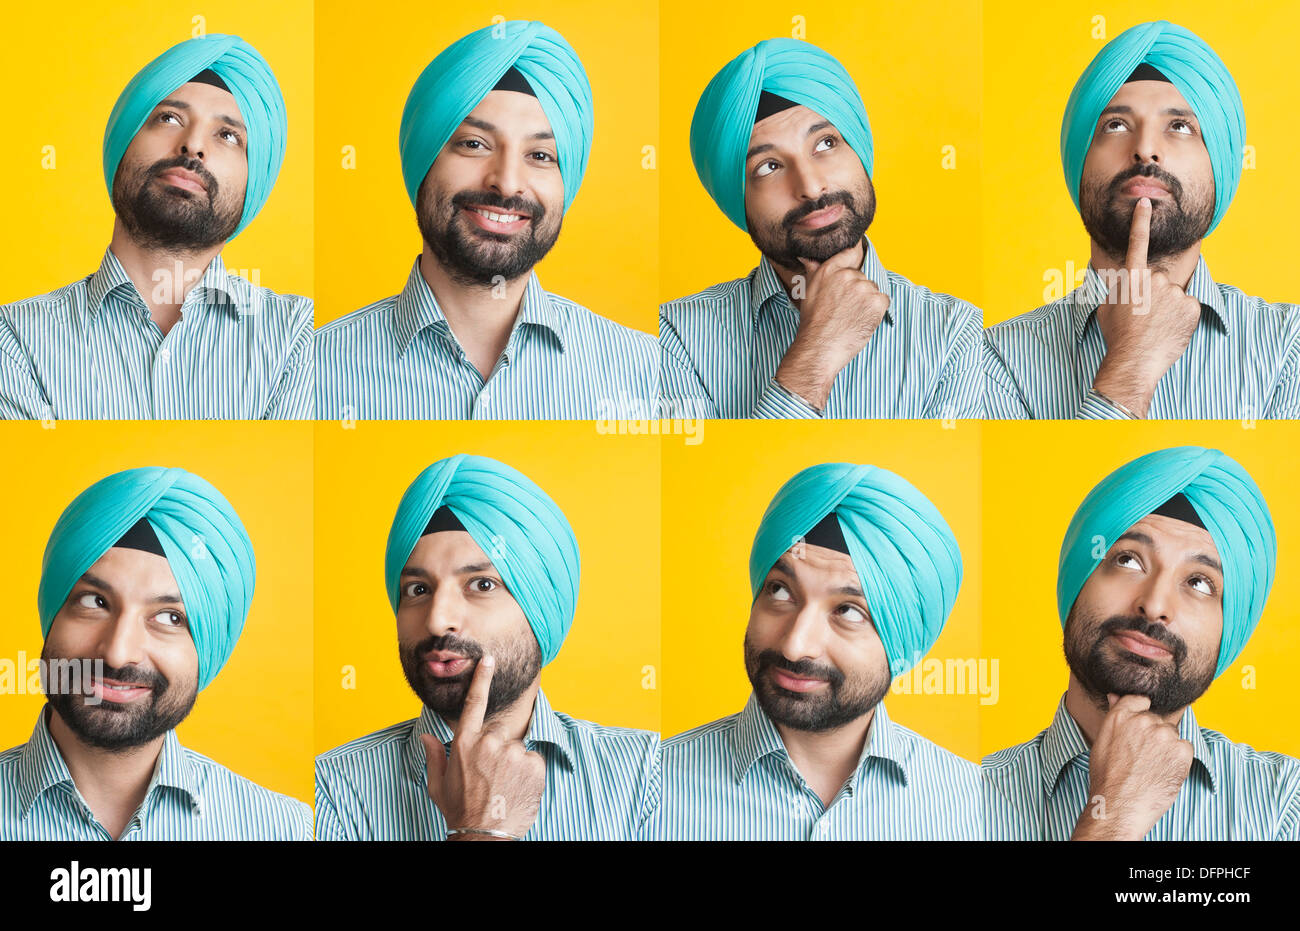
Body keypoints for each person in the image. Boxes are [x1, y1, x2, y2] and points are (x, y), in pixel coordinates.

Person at [315, 22, 657, 421]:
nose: (507, 182)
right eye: (474, 144)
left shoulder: (645, 374)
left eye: (541, 155)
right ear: (423, 163)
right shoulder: (311, 369)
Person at [315, 453, 660, 840]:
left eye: (481, 584)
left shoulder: (645, 774)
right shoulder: (333, 788)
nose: (436, 619)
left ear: (541, 607)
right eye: (418, 589)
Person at [984, 21, 1300, 420]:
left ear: (1221, 165)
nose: (1146, 150)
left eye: (1180, 127)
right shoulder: (996, 361)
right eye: (1116, 125)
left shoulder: (1289, 350)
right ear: (1078, 164)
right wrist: (1130, 365)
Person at [983, 446, 1300, 839]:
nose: (1153, 606)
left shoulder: (1284, 802)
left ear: (1230, 628)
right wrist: (1112, 817)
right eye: (1129, 560)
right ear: (1076, 584)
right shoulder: (966, 795)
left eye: (1199, 583)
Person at [660, 38, 983, 420]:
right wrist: (817, 350)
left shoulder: (959, 335)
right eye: (768, 167)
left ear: (859, 150)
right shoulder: (675, 339)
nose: (811, 187)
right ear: (737, 198)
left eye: (826, 143)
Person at [654, 462, 979, 839]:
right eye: (779, 591)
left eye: (847, 611)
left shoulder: (971, 805)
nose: (795, 645)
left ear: (905, 643)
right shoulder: (651, 787)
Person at [0, 35, 313, 420]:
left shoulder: (301, 339)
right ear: (122, 144)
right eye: (169, 118)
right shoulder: (14, 339)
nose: (193, 145)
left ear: (255, 180)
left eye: (228, 135)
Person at [0, 467, 310, 840]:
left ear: (209, 650)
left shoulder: (282, 829)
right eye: (94, 601)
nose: (117, 653)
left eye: (169, 617)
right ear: (53, 615)